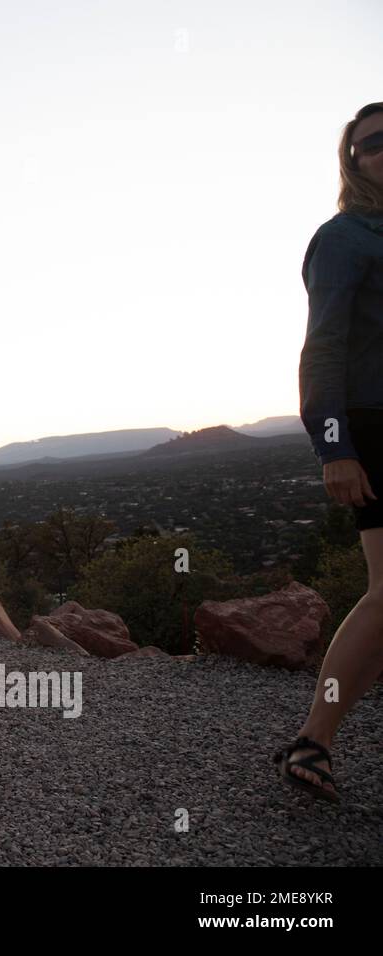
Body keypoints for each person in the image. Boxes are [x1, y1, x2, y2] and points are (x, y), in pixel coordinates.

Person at [278, 101, 383, 804]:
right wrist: (334, 445)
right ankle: (313, 740)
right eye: (374, 143)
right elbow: (322, 349)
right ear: (353, 160)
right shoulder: (345, 237)